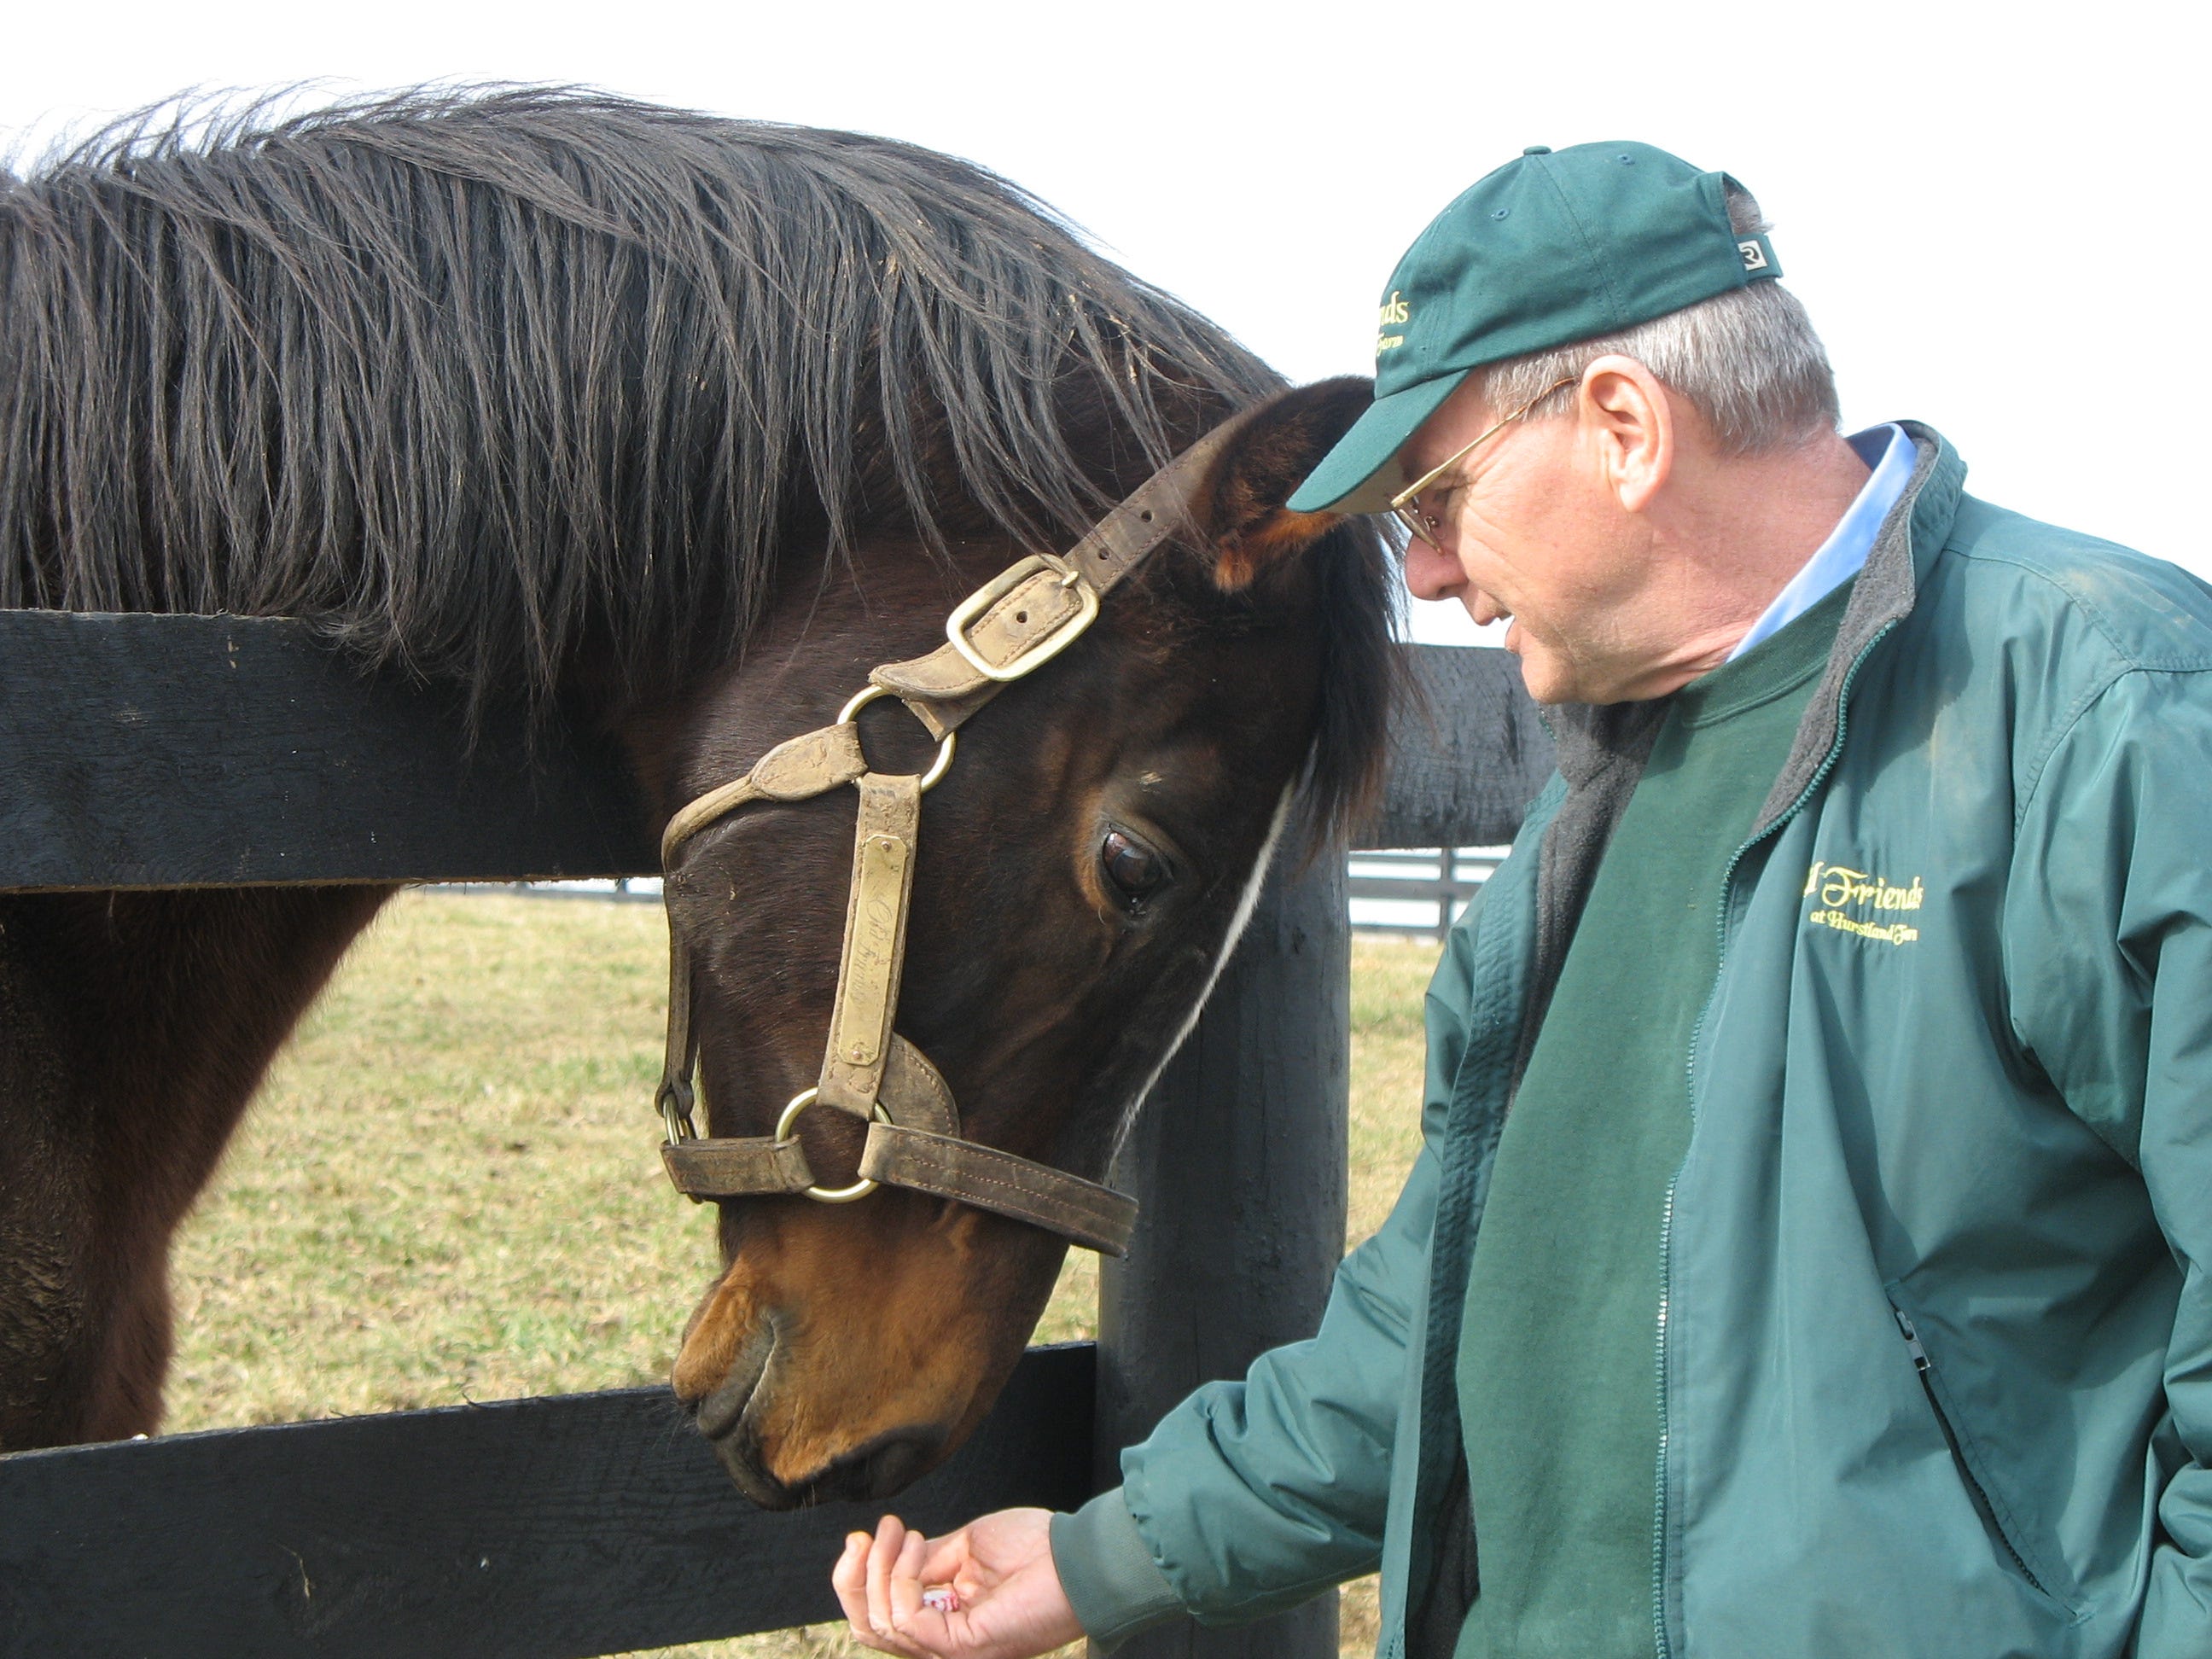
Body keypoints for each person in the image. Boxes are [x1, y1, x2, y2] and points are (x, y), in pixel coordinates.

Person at [830, 141, 2212, 1658]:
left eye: (1433, 495)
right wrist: (1101, 1560)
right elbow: (1449, 1317)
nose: (1420, 575)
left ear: (1623, 427)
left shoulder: (2111, 716)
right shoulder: (1582, 817)